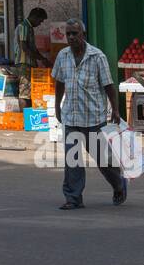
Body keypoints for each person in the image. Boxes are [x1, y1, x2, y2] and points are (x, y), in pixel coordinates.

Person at [52, 18, 127, 210]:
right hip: (72, 116)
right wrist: (57, 106)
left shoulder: (97, 56)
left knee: (104, 160)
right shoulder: (63, 56)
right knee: (73, 161)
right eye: (68, 34)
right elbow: (59, 82)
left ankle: (118, 184)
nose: (70, 37)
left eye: (74, 33)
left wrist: (116, 110)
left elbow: (109, 85)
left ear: (83, 34)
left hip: (94, 117)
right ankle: (73, 198)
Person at [12, 7, 49, 80]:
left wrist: (42, 59)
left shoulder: (29, 28)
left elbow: (33, 48)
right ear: (35, 17)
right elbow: (25, 48)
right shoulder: (24, 27)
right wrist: (41, 58)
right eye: (40, 21)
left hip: (29, 64)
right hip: (24, 64)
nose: (39, 24)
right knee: (25, 89)